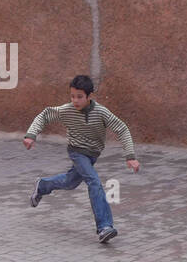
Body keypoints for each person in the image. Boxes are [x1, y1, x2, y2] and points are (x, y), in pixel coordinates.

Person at [24, 75, 139, 243]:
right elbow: (45, 115)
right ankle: (105, 227)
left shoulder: (101, 112)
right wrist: (31, 135)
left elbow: (122, 129)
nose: (75, 101)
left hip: (92, 154)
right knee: (94, 181)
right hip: (77, 152)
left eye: (79, 97)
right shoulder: (67, 110)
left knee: (70, 182)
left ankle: (42, 185)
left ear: (89, 96)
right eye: (72, 96)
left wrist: (130, 156)